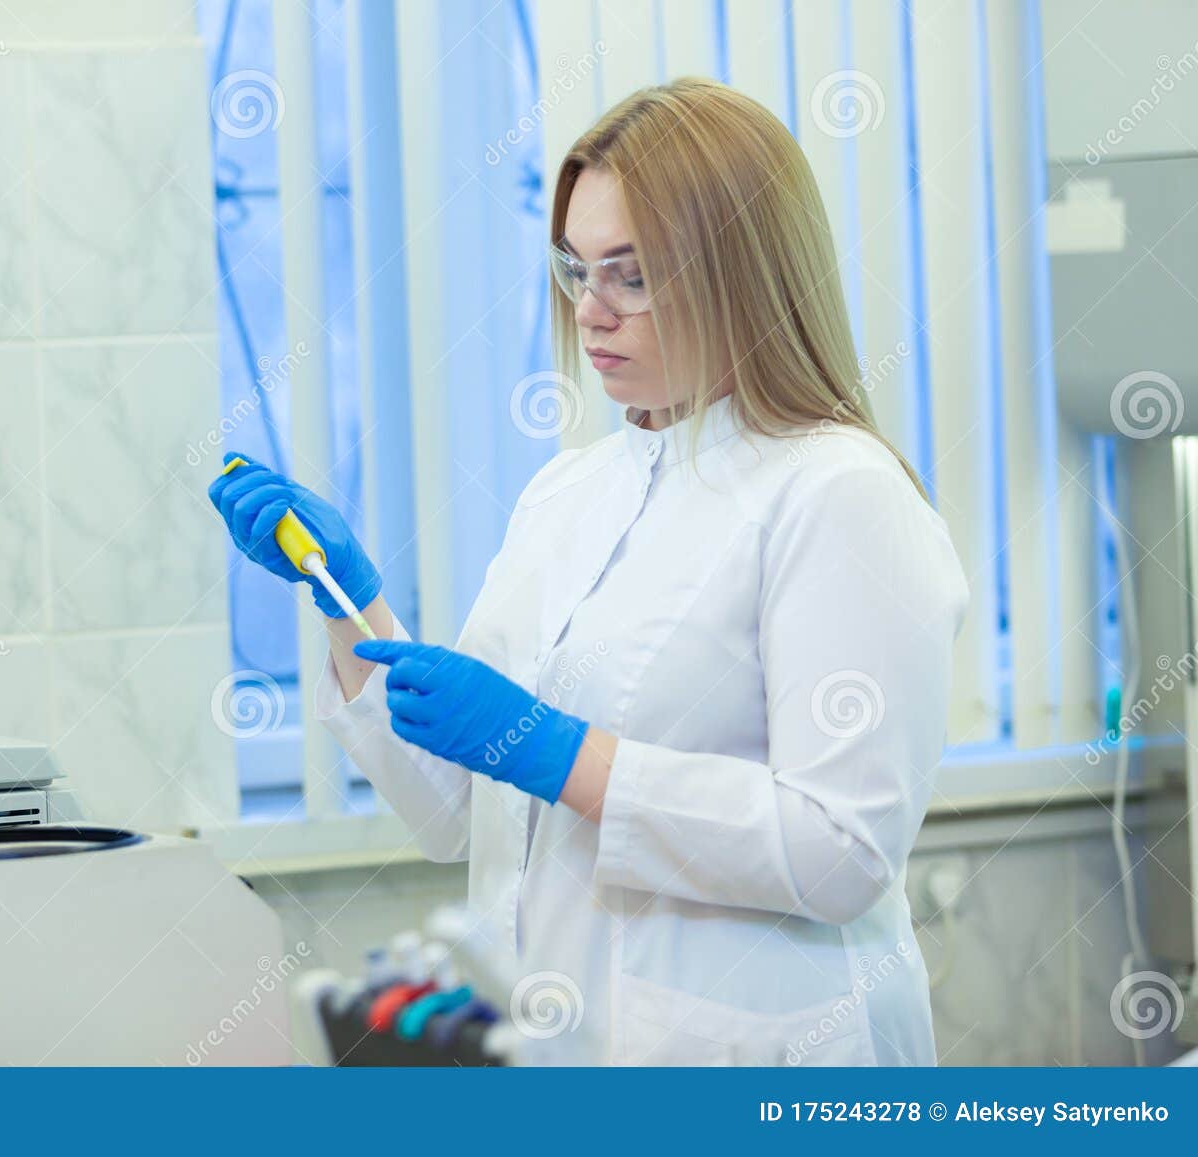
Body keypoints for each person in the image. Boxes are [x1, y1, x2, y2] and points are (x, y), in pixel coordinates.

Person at [210, 79, 968, 1066]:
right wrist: (346, 600)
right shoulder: (567, 492)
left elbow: (842, 850)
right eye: (574, 270)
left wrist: (564, 751)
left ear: (740, 274)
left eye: (633, 276)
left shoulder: (837, 495)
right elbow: (449, 804)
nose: (588, 312)